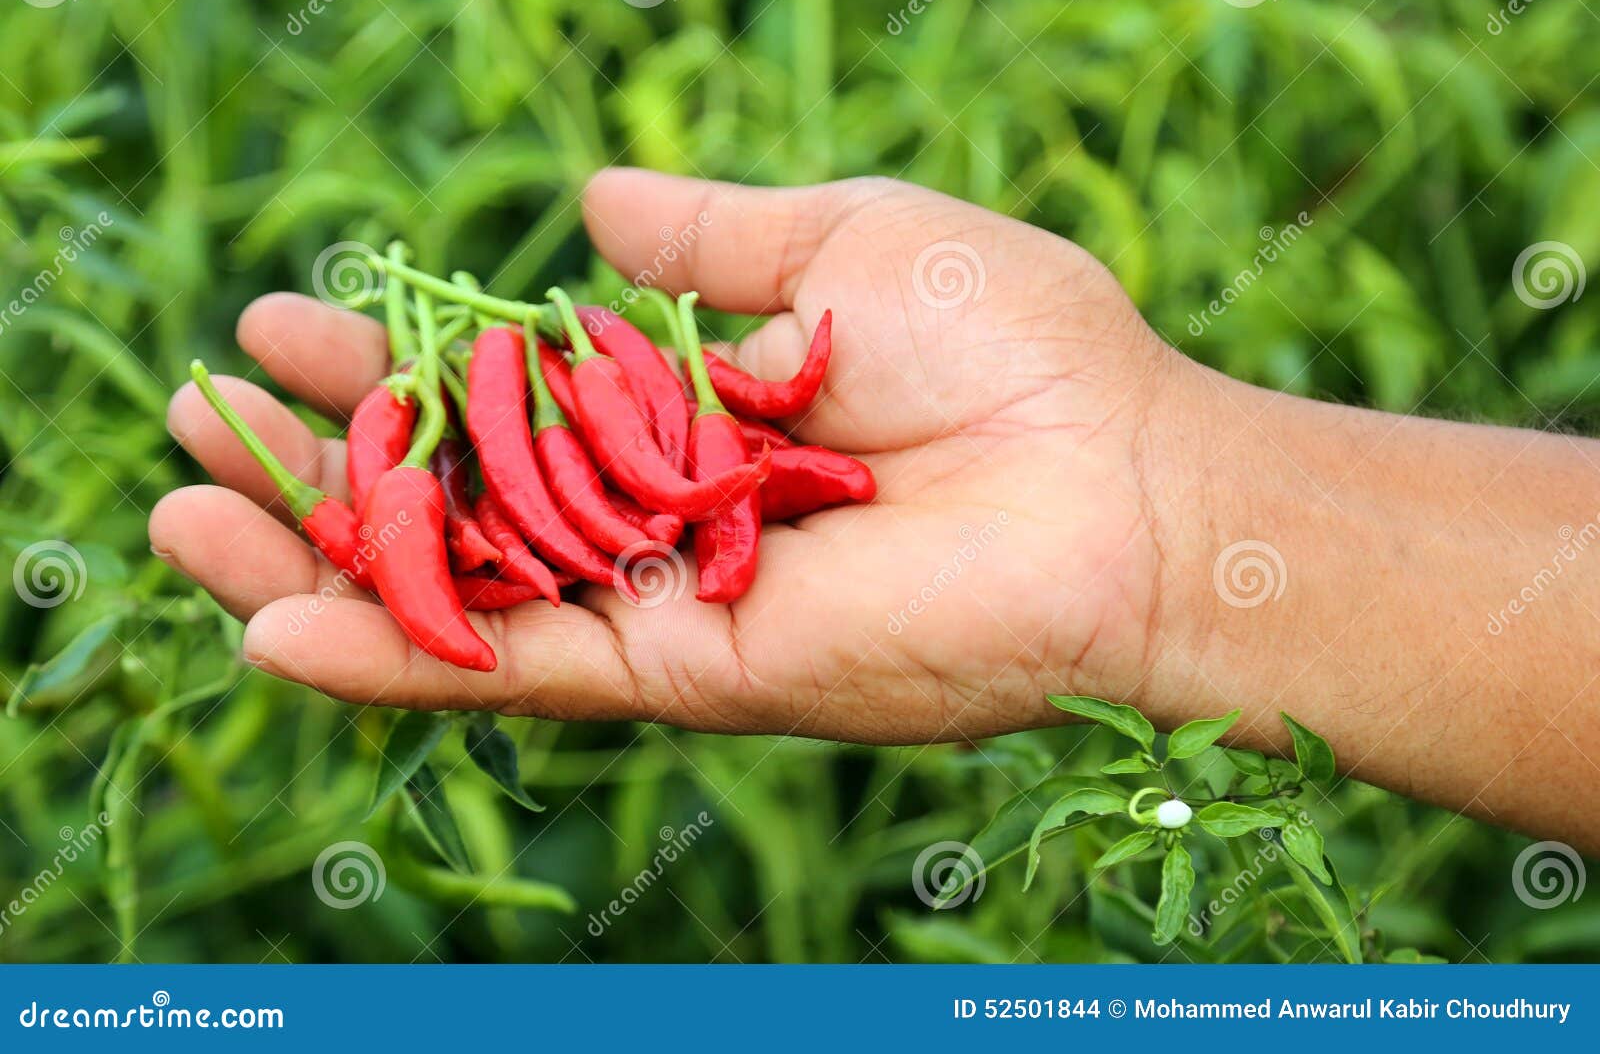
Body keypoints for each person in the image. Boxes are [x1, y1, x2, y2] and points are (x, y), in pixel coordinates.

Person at [152, 169, 1600, 853]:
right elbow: (649, 494)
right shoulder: (522, 438)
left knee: (627, 480)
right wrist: (1160, 503)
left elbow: (684, 483)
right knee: (566, 493)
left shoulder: (664, 422)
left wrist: (1153, 500)